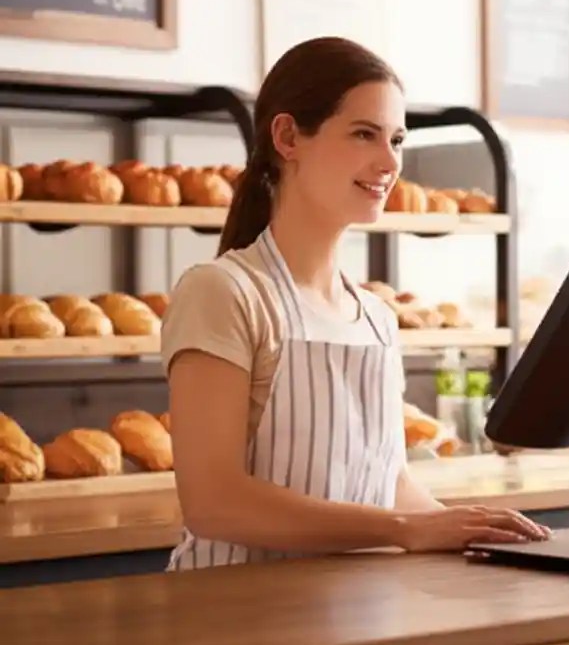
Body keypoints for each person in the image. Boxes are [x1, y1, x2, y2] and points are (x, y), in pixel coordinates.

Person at [160, 36, 548, 570]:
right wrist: (407, 530)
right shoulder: (224, 292)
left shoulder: (377, 319)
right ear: (288, 136)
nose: (389, 161)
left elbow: (389, 483)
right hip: (231, 615)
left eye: (396, 139)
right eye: (365, 134)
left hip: (351, 615)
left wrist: (471, 531)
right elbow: (214, 503)